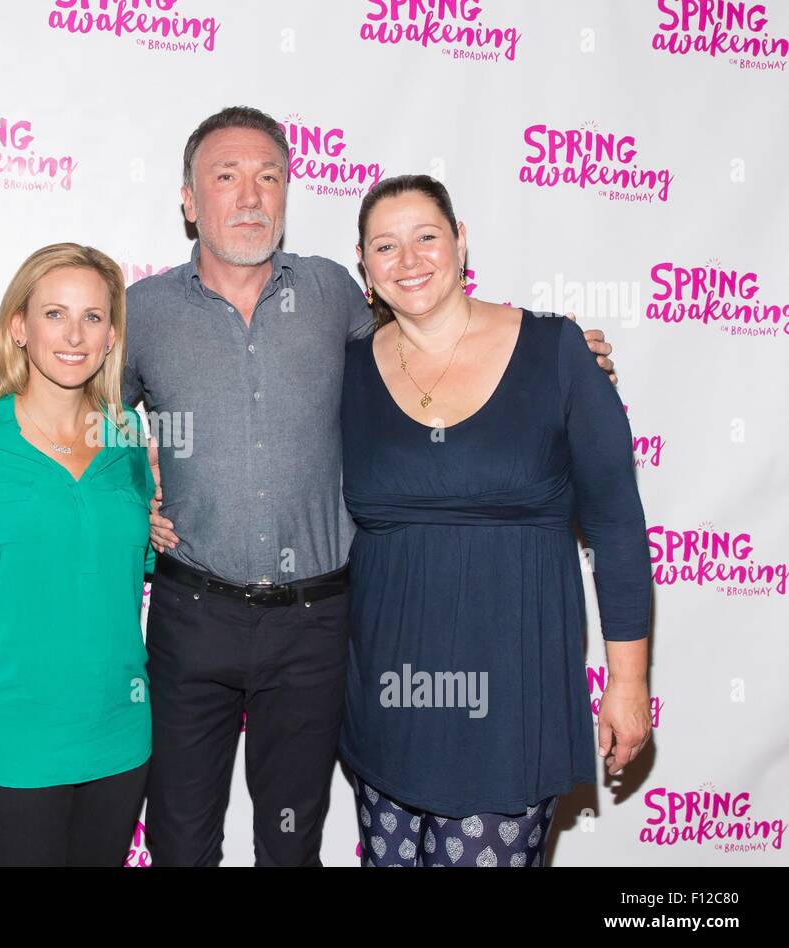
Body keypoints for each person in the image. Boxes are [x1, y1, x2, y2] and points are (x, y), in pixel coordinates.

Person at [131, 106, 619, 866]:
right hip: (194, 614)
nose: (250, 196)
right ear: (190, 200)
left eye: (268, 177)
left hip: (318, 627)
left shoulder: (335, 297)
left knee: (290, 848)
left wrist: (553, 354)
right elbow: (77, 411)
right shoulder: (142, 312)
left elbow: (431, 333)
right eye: (225, 178)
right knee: (181, 842)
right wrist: (138, 483)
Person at [339, 174, 653, 867]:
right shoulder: (349, 370)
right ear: (365, 267)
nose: (409, 259)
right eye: (385, 246)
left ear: (461, 241)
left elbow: (617, 526)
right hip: (386, 696)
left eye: (427, 236)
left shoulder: (556, 351)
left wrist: (628, 685)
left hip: (512, 695)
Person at [0, 243, 154, 866]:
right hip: (3, 732)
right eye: (54, 314)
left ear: (112, 335)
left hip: (116, 731)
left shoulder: (128, 435)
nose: (74, 334)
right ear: (18, 326)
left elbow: (139, 560)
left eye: (93, 317)